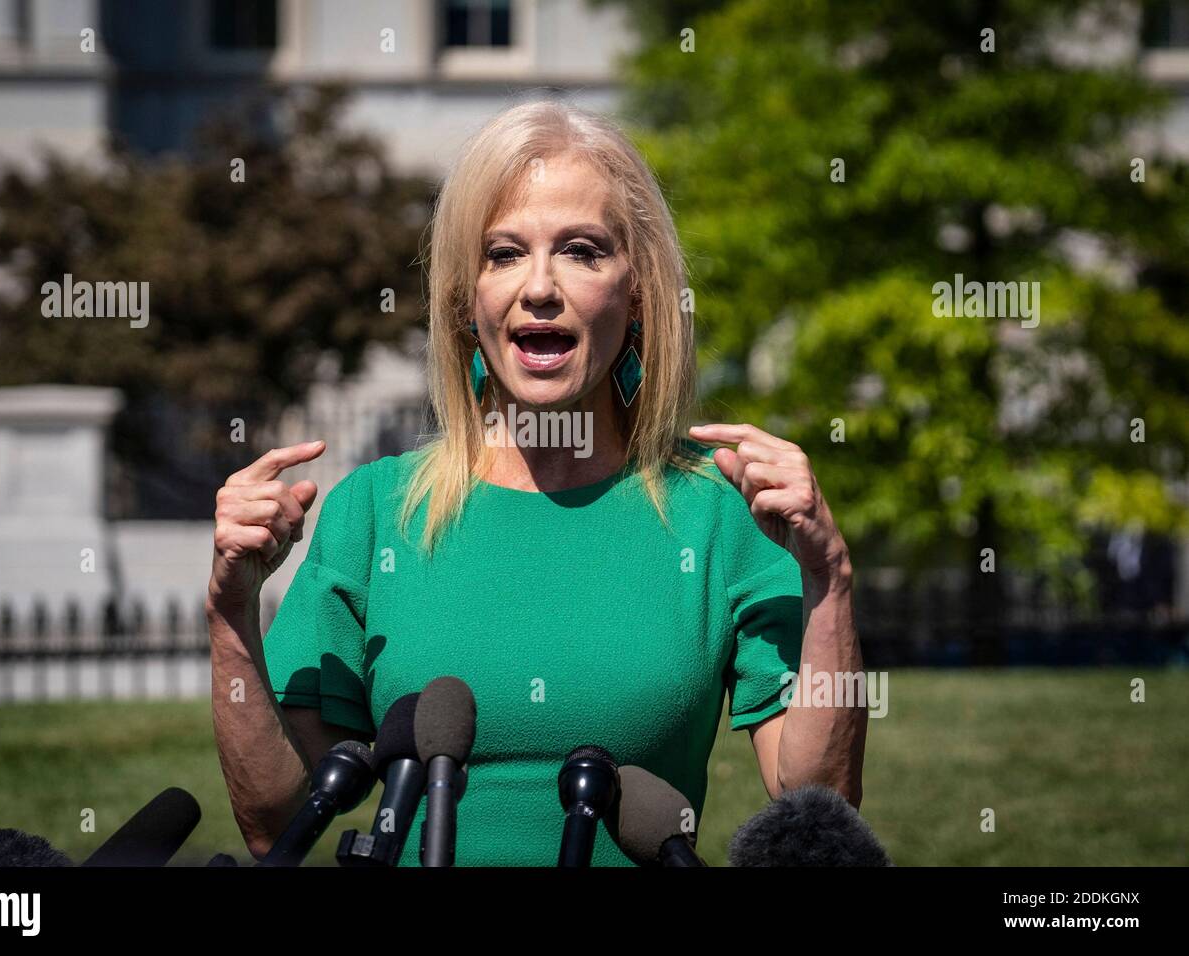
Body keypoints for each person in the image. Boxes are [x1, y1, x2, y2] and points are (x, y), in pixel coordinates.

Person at [206, 100, 866, 866]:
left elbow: (818, 804)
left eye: (583, 251)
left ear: (641, 293)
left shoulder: (723, 514)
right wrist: (230, 610)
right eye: (504, 253)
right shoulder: (372, 512)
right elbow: (273, 821)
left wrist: (831, 580)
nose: (540, 287)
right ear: (465, 303)